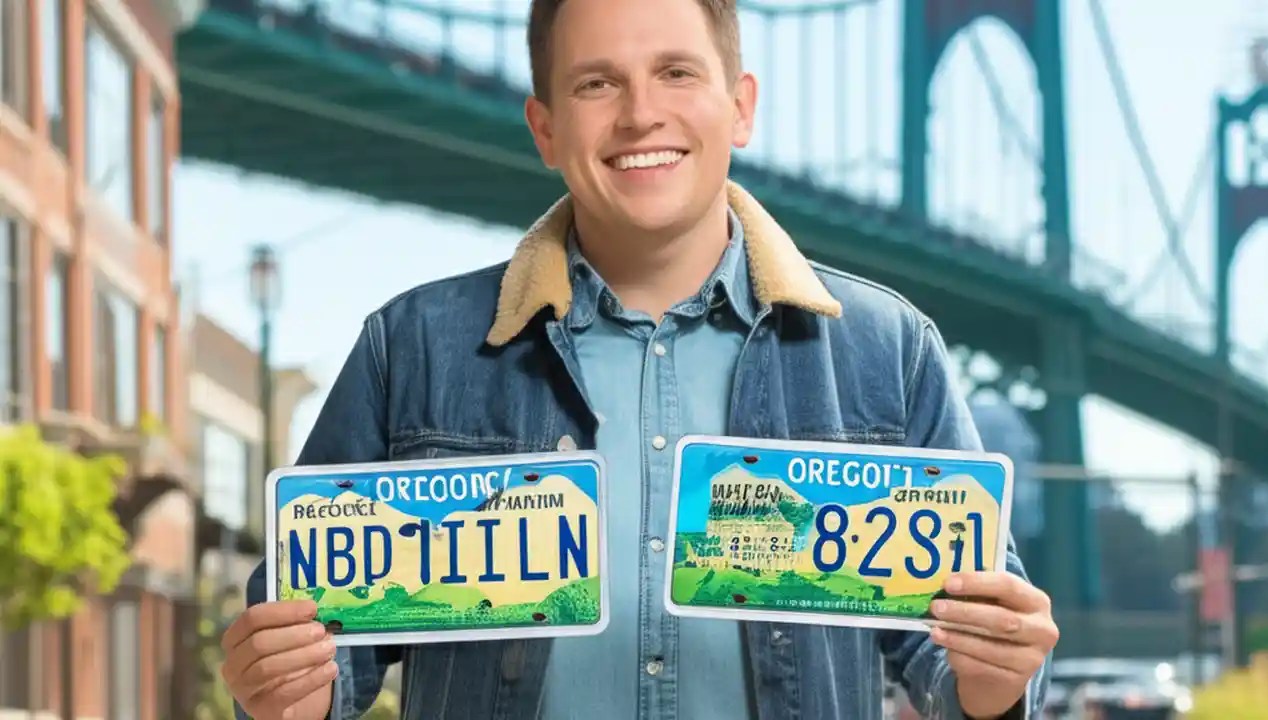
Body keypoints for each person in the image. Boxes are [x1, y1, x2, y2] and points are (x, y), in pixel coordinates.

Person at [220, 0, 1059, 717]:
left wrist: (997, 678)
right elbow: (326, 655)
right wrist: (286, 686)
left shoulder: (892, 351)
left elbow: (962, 667)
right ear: (544, 127)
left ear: (741, 106)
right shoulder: (408, 348)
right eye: (596, 83)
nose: (638, 114)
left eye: (677, 73)